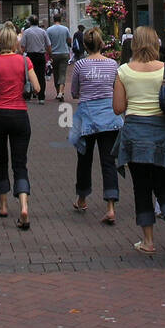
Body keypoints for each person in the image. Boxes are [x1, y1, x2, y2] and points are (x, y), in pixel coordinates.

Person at [113, 25, 165, 263]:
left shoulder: (124, 71)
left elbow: (118, 107)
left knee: (141, 188)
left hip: (135, 136)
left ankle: (148, 241)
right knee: (164, 185)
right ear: (156, 43)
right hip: (161, 135)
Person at [0, 24, 40, 227]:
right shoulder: (24, 61)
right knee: (20, 163)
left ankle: (3, 206)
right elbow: (37, 88)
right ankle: (24, 207)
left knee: (1, 162)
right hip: (20, 115)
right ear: (15, 42)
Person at [69, 27, 123, 224]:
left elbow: (74, 91)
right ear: (102, 44)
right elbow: (118, 88)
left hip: (87, 118)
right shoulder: (112, 64)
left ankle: (82, 198)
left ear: (84, 45)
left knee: (84, 160)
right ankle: (110, 206)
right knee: (109, 162)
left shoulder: (80, 65)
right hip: (109, 117)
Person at [19, 16, 52, 104]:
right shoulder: (43, 31)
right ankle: (41, 97)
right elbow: (48, 45)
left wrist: (20, 55)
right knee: (41, 76)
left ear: (29, 22)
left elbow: (22, 46)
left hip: (30, 56)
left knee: (28, 76)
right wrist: (50, 54)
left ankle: (28, 95)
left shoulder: (26, 32)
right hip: (41, 55)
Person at [46, 13, 72, 101]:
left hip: (54, 53)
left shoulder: (49, 30)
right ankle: (61, 92)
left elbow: (47, 44)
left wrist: (49, 55)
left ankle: (57, 92)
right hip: (64, 53)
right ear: (60, 19)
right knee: (62, 73)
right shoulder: (65, 29)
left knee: (56, 74)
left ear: (53, 19)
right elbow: (69, 40)